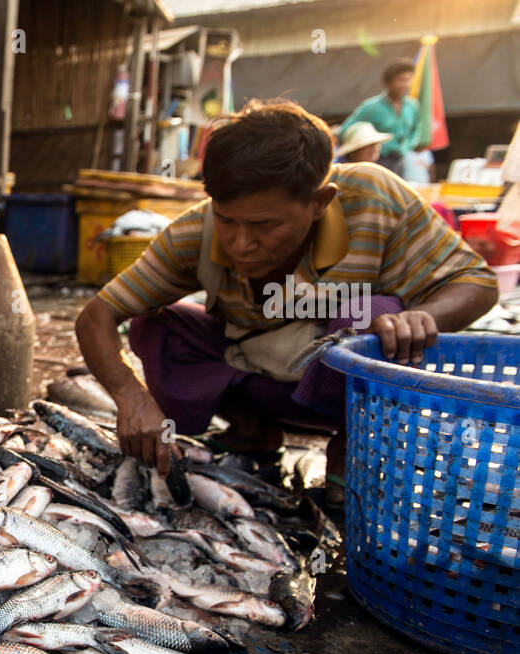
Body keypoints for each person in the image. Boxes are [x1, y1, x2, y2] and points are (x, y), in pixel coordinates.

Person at [74, 100, 497, 512]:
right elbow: (97, 316)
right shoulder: (194, 233)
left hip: (344, 390)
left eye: (264, 225)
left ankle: (351, 456)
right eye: (227, 219)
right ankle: (253, 432)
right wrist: (131, 397)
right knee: (157, 327)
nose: (241, 243)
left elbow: (476, 281)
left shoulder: (373, 197)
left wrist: (422, 318)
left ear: (319, 202)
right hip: (263, 380)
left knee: (371, 312)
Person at [338, 59, 419, 177]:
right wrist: (368, 148)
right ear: (389, 82)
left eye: (408, 79)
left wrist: (406, 146)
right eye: (400, 80)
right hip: (377, 161)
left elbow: (415, 132)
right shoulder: (371, 107)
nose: (405, 84)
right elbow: (345, 130)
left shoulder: (413, 106)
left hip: (400, 161)